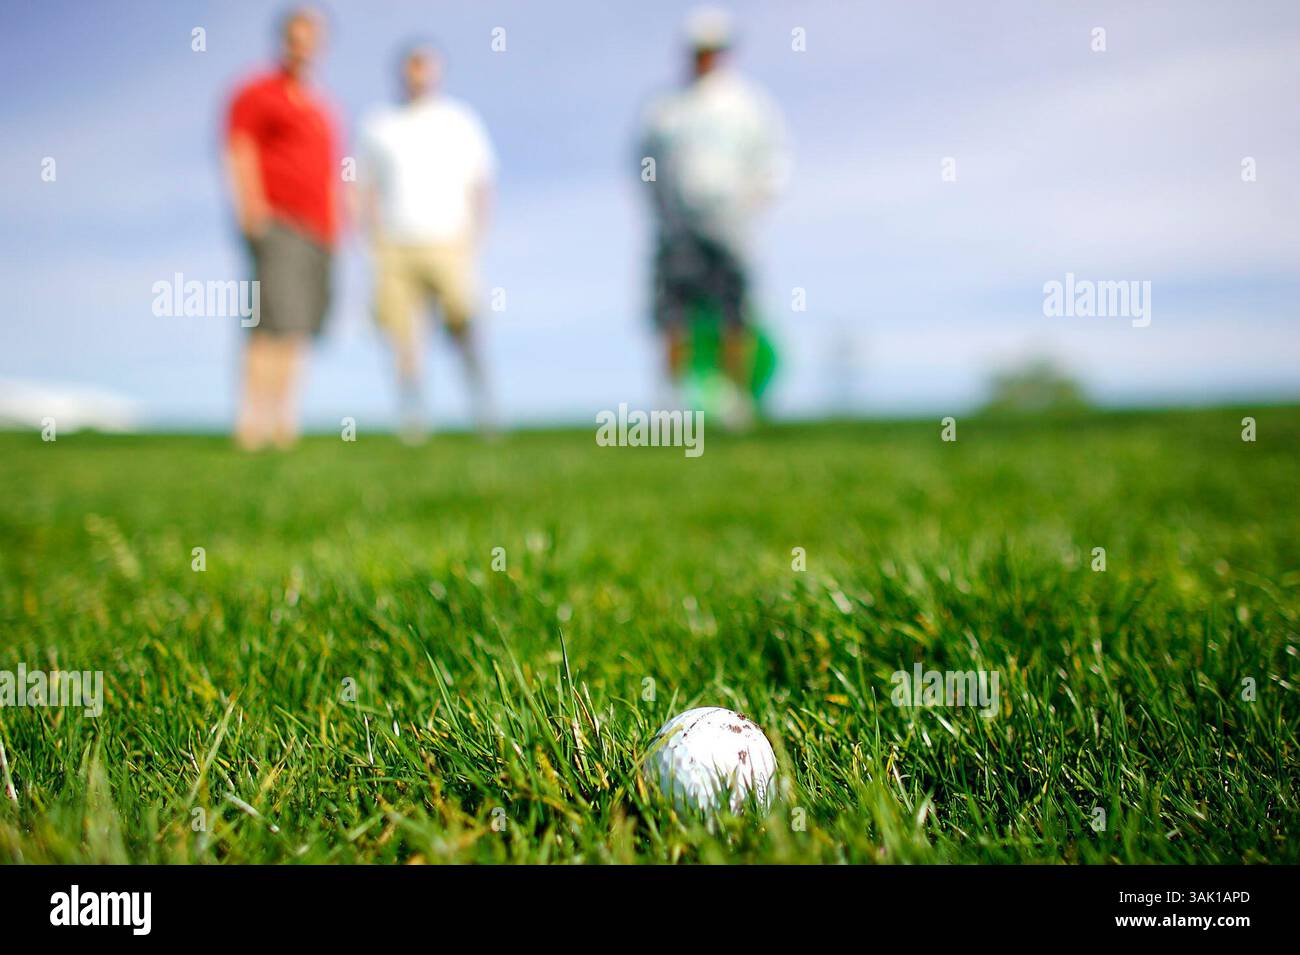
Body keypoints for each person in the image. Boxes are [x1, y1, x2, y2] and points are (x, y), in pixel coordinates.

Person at [638, 7, 788, 429]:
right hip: (676, 227)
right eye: (699, 50)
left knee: (734, 312)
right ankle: (670, 406)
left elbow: (773, 162)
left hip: (729, 225)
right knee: (674, 316)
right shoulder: (665, 109)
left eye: (713, 49)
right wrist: (661, 210)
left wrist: (750, 205)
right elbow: (643, 165)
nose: (706, 57)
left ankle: (737, 404)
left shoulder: (749, 105)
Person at [357, 42, 497, 443]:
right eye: (412, 66)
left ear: (436, 72)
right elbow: (363, 184)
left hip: (449, 238)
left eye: (425, 66)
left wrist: (475, 236)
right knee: (402, 334)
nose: (418, 73)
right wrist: (368, 236)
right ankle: (413, 418)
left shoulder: (459, 121)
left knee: (464, 323)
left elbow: (481, 181)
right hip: (394, 242)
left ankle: (482, 410)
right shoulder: (379, 123)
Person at [224, 7, 339, 450]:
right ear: (283, 41)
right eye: (296, 37)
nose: (303, 47)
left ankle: (284, 424)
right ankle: (251, 424)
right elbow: (240, 147)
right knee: (267, 323)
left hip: (320, 232)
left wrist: (336, 227)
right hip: (278, 222)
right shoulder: (257, 93)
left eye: (312, 38)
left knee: (297, 328)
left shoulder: (320, 109)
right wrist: (251, 209)